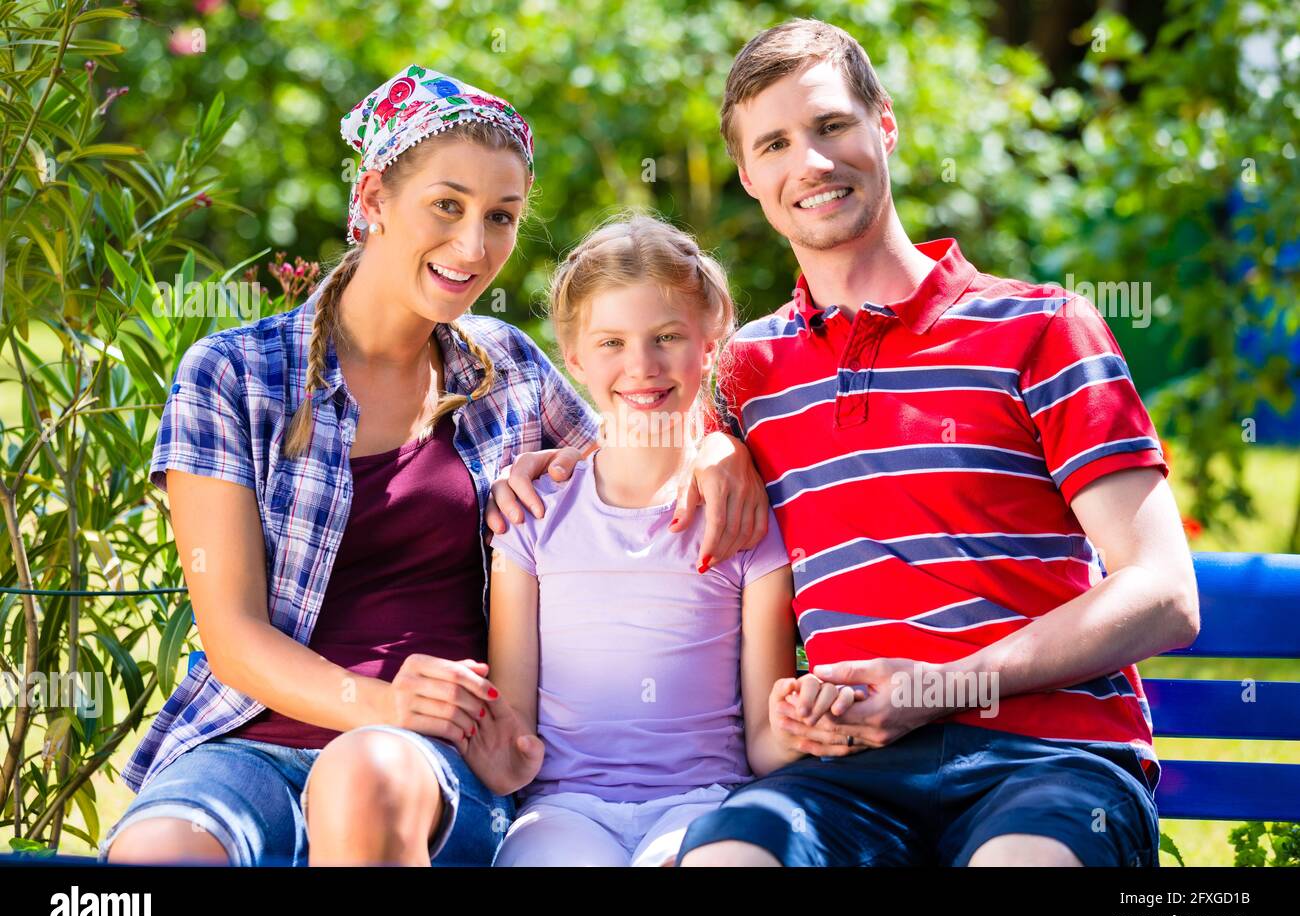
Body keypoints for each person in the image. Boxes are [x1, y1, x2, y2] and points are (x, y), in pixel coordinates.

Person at [99, 65, 766, 867]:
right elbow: (234, 637)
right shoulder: (232, 375)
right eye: (446, 207)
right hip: (250, 743)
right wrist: (384, 703)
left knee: (364, 772)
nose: (474, 246)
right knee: (149, 861)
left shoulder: (507, 369)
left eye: (501, 216)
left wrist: (716, 444)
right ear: (375, 200)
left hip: (433, 766)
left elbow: (633, 446)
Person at [673, 19, 1200, 867]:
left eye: (831, 125)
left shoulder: (1040, 327)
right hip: (847, 777)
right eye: (775, 143)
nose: (809, 162)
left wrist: (937, 689)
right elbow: (620, 436)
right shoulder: (744, 372)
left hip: (1051, 759)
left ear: (884, 125)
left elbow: (1166, 592)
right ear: (749, 177)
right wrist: (706, 440)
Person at [487, 215, 811, 867]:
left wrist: (809, 723)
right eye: (612, 342)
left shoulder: (744, 519)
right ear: (574, 356)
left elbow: (764, 742)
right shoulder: (533, 517)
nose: (642, 366)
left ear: (710, 346)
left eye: (668, 337)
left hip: (706, 803)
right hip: (564, 806)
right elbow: (512, 734)